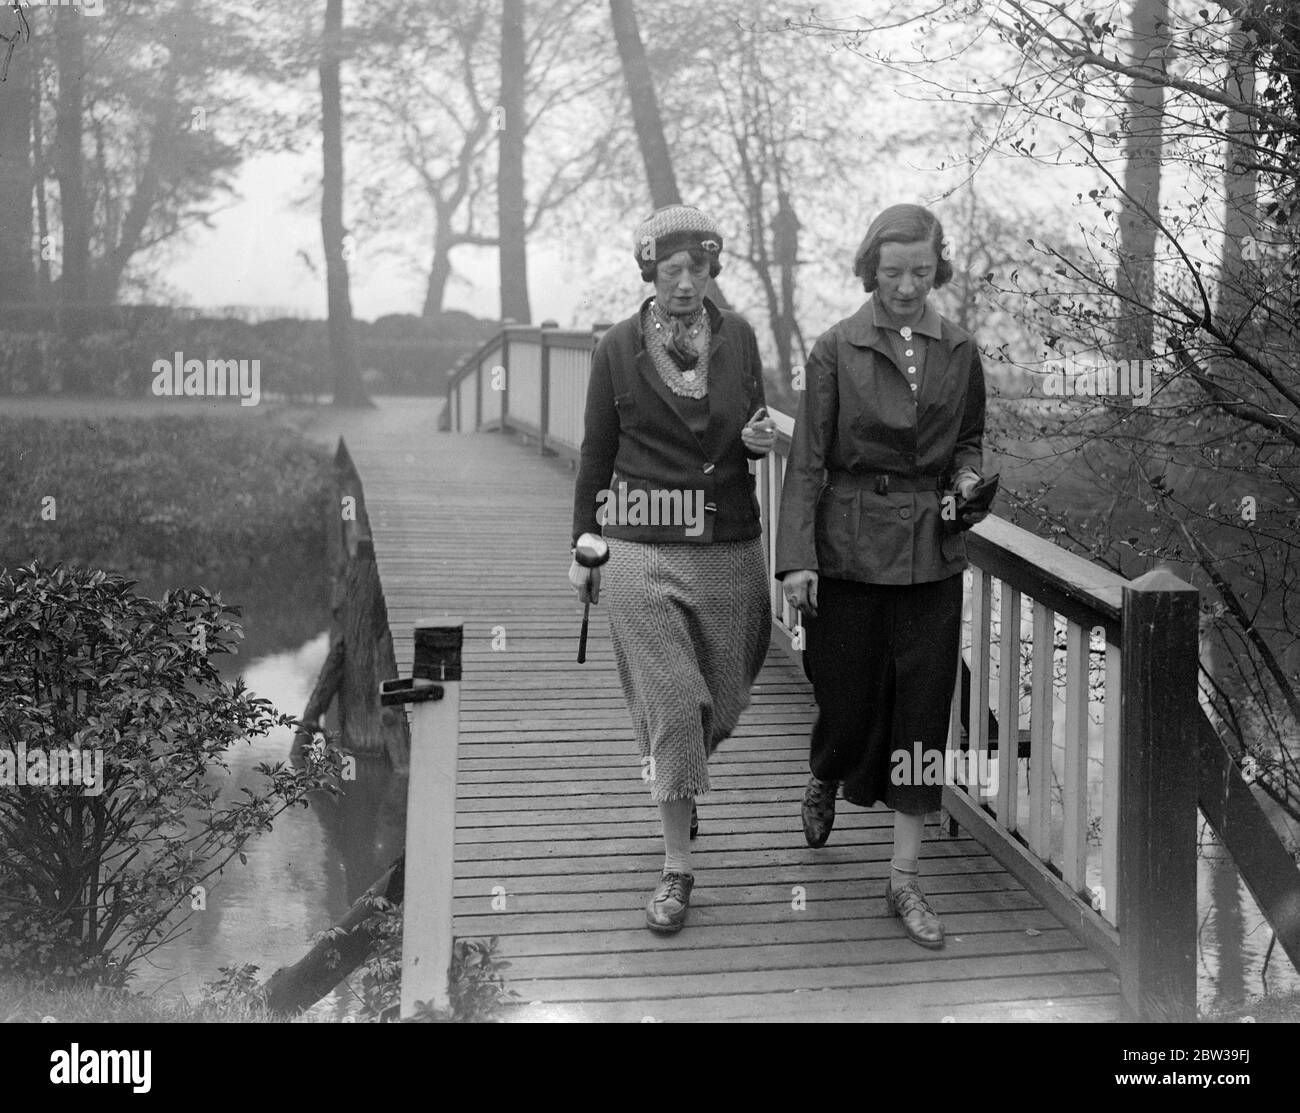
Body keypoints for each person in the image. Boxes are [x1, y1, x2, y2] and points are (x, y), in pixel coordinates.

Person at [774, 203, 989, 950]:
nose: (906, 286)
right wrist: (797, 559)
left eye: (921, 272)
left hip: (931, 555)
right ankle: (827, 768)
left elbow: (970, 440)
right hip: (848, 549)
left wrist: (966, 480)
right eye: (893, 271)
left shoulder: (960, 348)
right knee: (846, 693)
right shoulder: (835, 348)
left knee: (923, 713)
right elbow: (806, 460)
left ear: (938, 268)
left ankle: (904, 876)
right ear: (872, 268)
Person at [569, 204, 776, 934]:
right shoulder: (617, 348)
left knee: (719, 691)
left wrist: (756, 443)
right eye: (669, 269)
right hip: (640, 538)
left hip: (727, 539)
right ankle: (676, 867)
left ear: (712, 270)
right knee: (673, 701)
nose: (684, 282)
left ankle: (673, 777)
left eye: (697, 268)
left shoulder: (740, 338)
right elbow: (596, 453)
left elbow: (754, 426)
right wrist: (586, 548)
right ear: (649, 272)